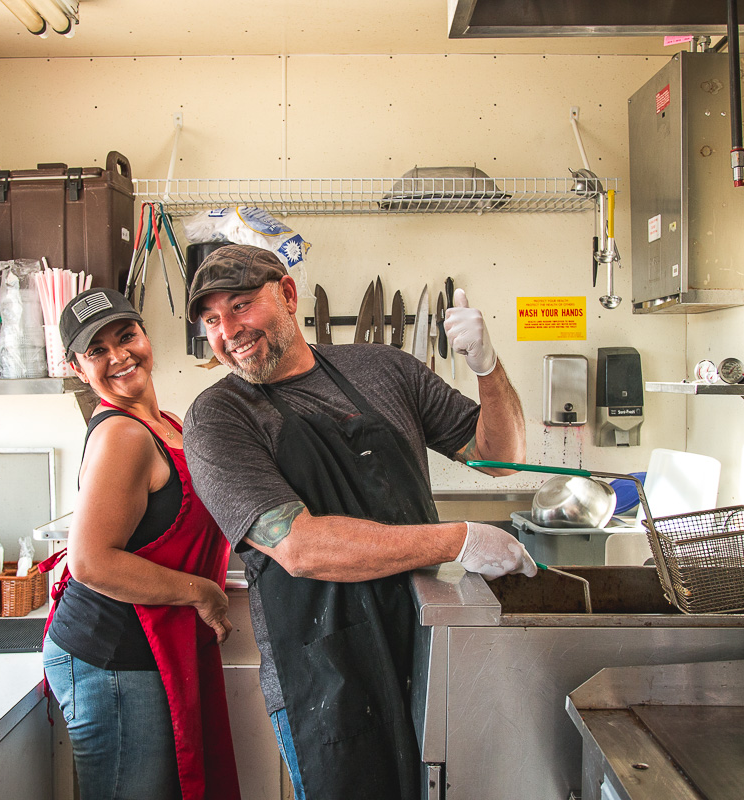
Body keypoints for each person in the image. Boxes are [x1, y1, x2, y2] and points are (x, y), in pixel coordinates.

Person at [181, 244, 536, 800]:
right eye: (211, 319)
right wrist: (458, 540)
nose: (228, 330)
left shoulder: (383, 368)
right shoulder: (219, 418)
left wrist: (488, 369)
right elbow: (301, 548)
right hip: (327, 674)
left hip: (424, 644)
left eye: (242, 305)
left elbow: (500, 457)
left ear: (289, 294)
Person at [40, 287, 240, 800]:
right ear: (76, 368)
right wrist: (202, 592)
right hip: (112, 659)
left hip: (144, 650)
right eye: (97, 351)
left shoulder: (165, 424)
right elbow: (90, 562)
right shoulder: (122, 436)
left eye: (126, 336)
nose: (119, 356)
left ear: (145, 336)